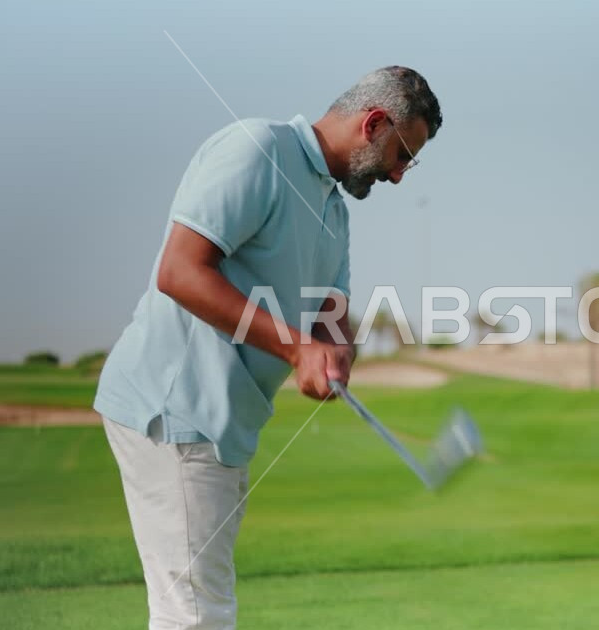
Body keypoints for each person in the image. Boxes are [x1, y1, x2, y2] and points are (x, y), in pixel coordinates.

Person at [93, 66, 442, 629]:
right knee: (197, 614)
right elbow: (180, 272)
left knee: (196, 605)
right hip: (176, 409)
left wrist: (334, 352)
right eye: (403, 154)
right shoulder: (258, 150)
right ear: (374, 123)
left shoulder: (333, 210)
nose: (400, 176)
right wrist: (295, 348)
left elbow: (329, 312)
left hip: (226, 426)